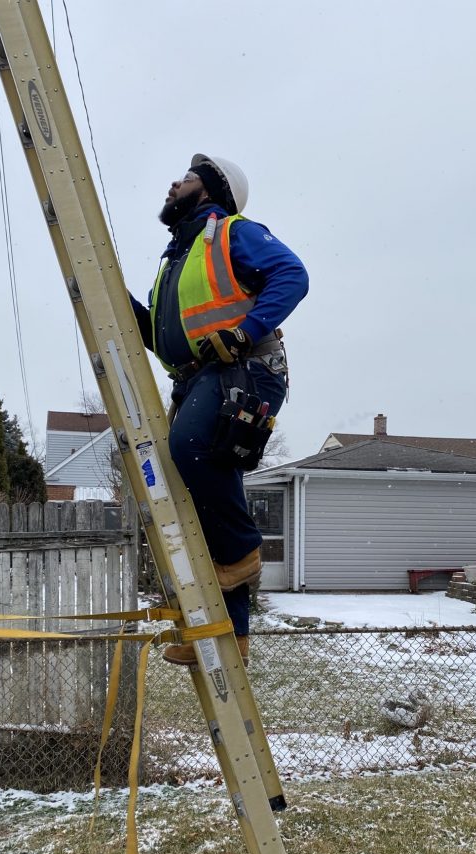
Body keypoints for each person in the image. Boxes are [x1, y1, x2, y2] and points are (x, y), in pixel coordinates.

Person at [130, 153, 308, 665]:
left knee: (190, 449)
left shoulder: (230, 232)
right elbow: (162, 337)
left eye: (185, 178)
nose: (173, 182)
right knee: (201, 506)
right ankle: (232, 638)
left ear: (209, 191)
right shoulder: (174, 262)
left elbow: (292, 275)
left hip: (246, 369)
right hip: (196, 380)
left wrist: (244, 332)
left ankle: (245, 550)